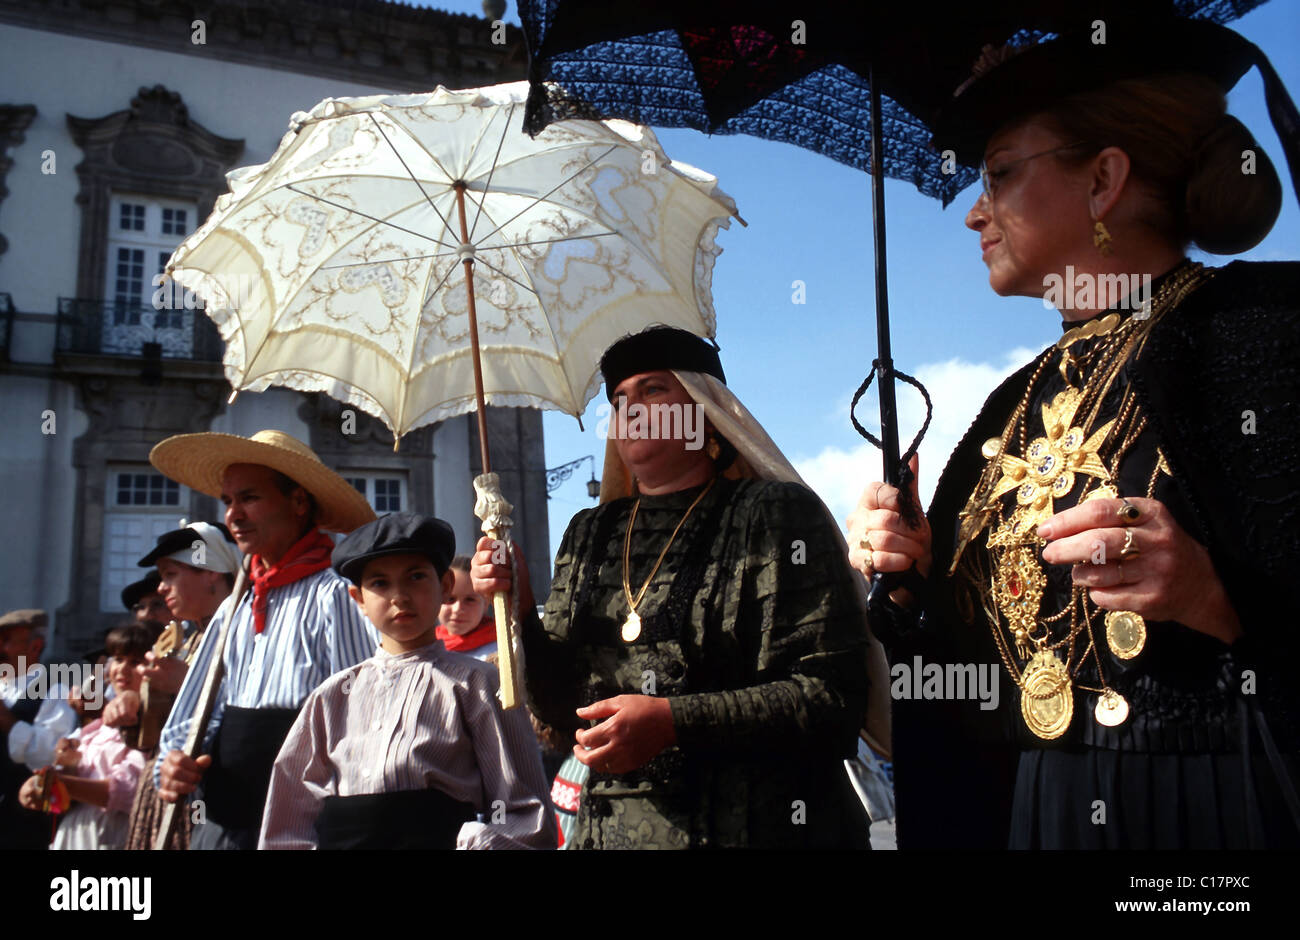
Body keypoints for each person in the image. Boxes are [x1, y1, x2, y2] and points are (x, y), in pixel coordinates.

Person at [848, 14, 1300, 849]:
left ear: (1103, 180)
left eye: (1000, 174)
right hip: (1036, 810)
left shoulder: (1261, 337)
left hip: (1214, 811)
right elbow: (971, 672)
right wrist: (909, 578)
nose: (973, 215)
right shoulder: (1007, 406)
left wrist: (1218, 598)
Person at [473, 325, 882, 849]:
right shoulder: (589, 532)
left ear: (703, 410)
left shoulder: (774, 513)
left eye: (653, 390)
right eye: (619, 399)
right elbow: (561, 712)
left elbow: (829, 696)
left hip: (763, 828)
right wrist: (521, 605)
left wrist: (672, 721)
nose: (631, 408)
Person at [259, 512, 555, 849]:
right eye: (380, 584)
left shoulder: (479, 685)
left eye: (415, 577)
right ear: (359, 600)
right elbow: (289, 817)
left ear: (444, 586)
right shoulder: (332, 696)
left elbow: (525, 812)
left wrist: (479, 842)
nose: (399, 595)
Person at [150, 429, 379, 850]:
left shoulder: (337, 596)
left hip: (306, 833)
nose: (233, 515)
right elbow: (198, 708)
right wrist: (172, 763)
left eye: (249, 498)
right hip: (224, 828)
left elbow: (362, 726)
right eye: (228, 502)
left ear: (297, 502)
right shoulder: (236, 604)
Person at [120, 522, 240, 850]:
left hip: (206, 804)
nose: (160, 588)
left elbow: (252, 725)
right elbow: (153, 737)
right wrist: (133, 705)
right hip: (162, 793)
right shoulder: (182, 640)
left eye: (170, 574)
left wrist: (184, 682)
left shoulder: (244, 634)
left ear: (211, 572)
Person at [19, 624, 151, 849]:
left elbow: (128, 791)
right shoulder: (96, 729)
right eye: (118, 659)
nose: (123, 669)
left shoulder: (151, 725)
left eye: (135, 662)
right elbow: (68, 787)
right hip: (75, 835)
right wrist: (44, 782)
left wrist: (60, 784)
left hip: (112, 836)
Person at [0, 609, 79, 848]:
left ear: (35, 647)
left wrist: (5, 718)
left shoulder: (54, 690)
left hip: (21, 825)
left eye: (4, 641)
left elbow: (48, 757)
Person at [436, 555, 498, 661]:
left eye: (470, 600)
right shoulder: (424, 648)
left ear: (486, 604)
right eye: (450, 599)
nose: (457, 609)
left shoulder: (500, 650)